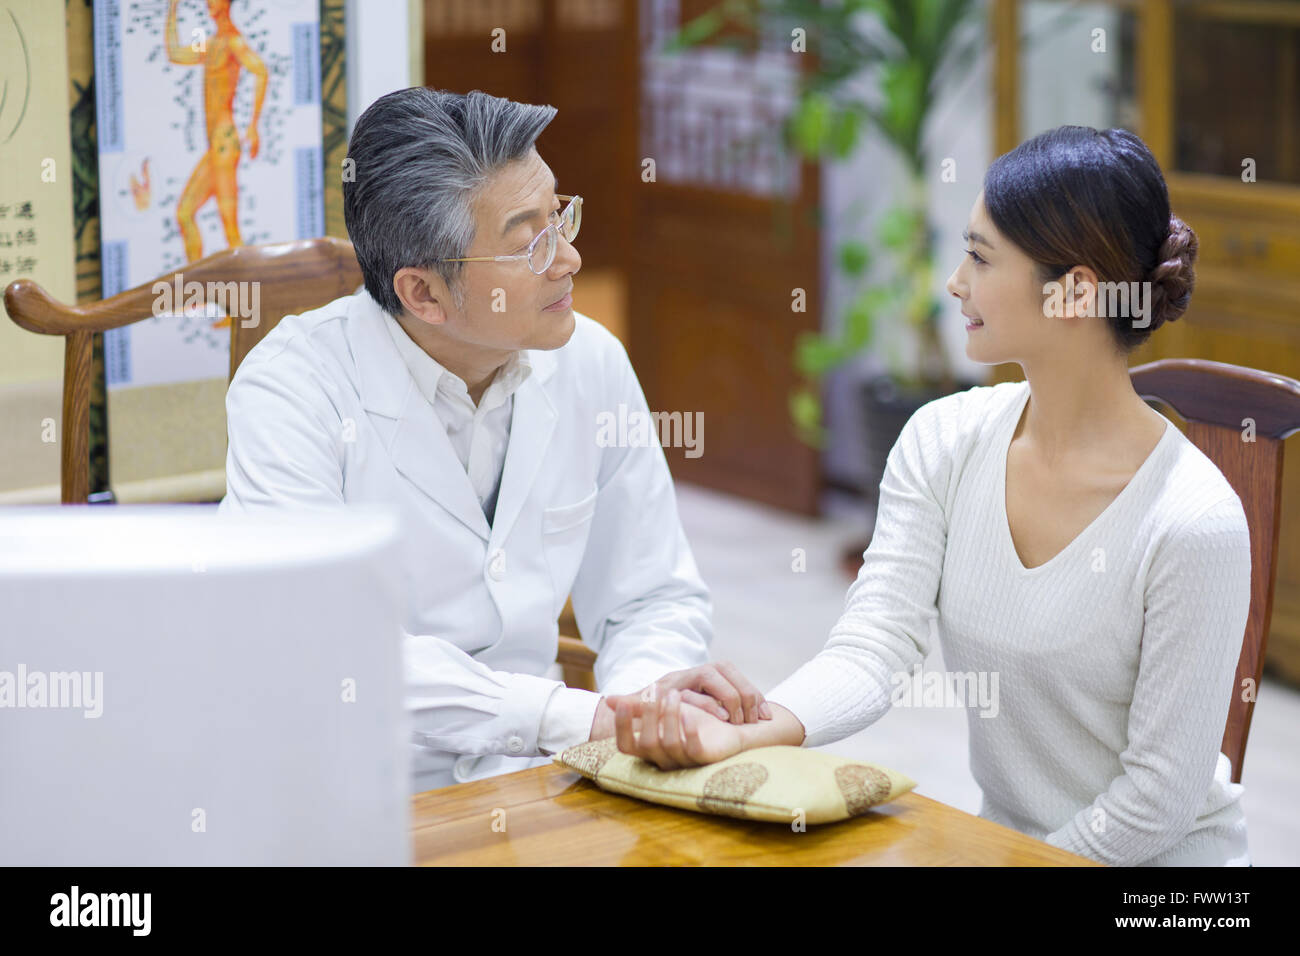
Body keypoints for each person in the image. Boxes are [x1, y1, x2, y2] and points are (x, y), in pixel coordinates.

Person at [612, 126, 1253, 868]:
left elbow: (1159, 800)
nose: (955, 282)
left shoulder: (1192, 522)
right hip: (1009, 848)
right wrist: (754, 730)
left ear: (1075, 289)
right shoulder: (944, 441)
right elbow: (875, 648)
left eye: (981, 258)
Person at [219, 87, 769, 793]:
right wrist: (578, 716)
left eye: (561, 216)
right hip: (352, 792)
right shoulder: (295, 388)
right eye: (531, 242)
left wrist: (641, 702)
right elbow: (321, 644)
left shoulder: (590, 362)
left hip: (542, 779)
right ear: (424, 295)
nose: (569, 259)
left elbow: (651, 595)